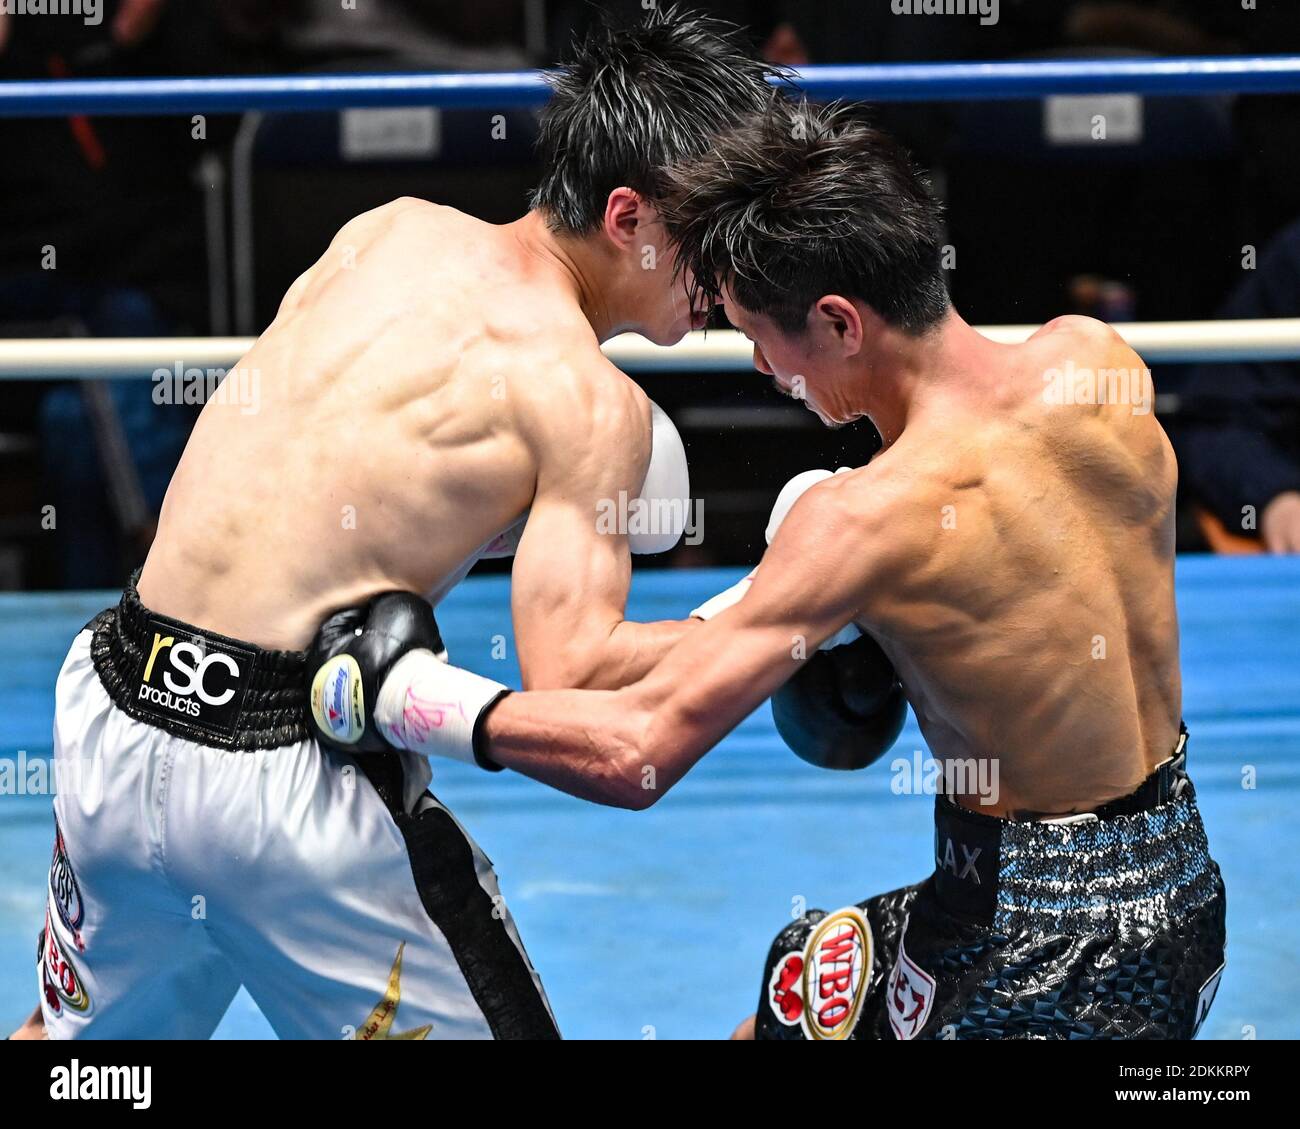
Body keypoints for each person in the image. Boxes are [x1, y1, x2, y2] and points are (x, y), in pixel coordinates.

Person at [383, 100, 1227, 1040]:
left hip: (1031, 955)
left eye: (760, 335)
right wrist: (799, 593)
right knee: (791, 998)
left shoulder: (863, 524)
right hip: (1184, 887)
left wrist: (413, 699)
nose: (762, 365)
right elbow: (1016, 569)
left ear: (837, 320)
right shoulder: (1094, 360)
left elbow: (637, 752)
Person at [19, 8, 777, 1041]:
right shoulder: (585, 401)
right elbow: (579, 688)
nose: (727, 281)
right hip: (287, 782)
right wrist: (788, 605)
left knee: (82, 1062)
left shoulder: (388, 228)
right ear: (629, 216)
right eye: (710, 239)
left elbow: (330, 469)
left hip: (115, 703)